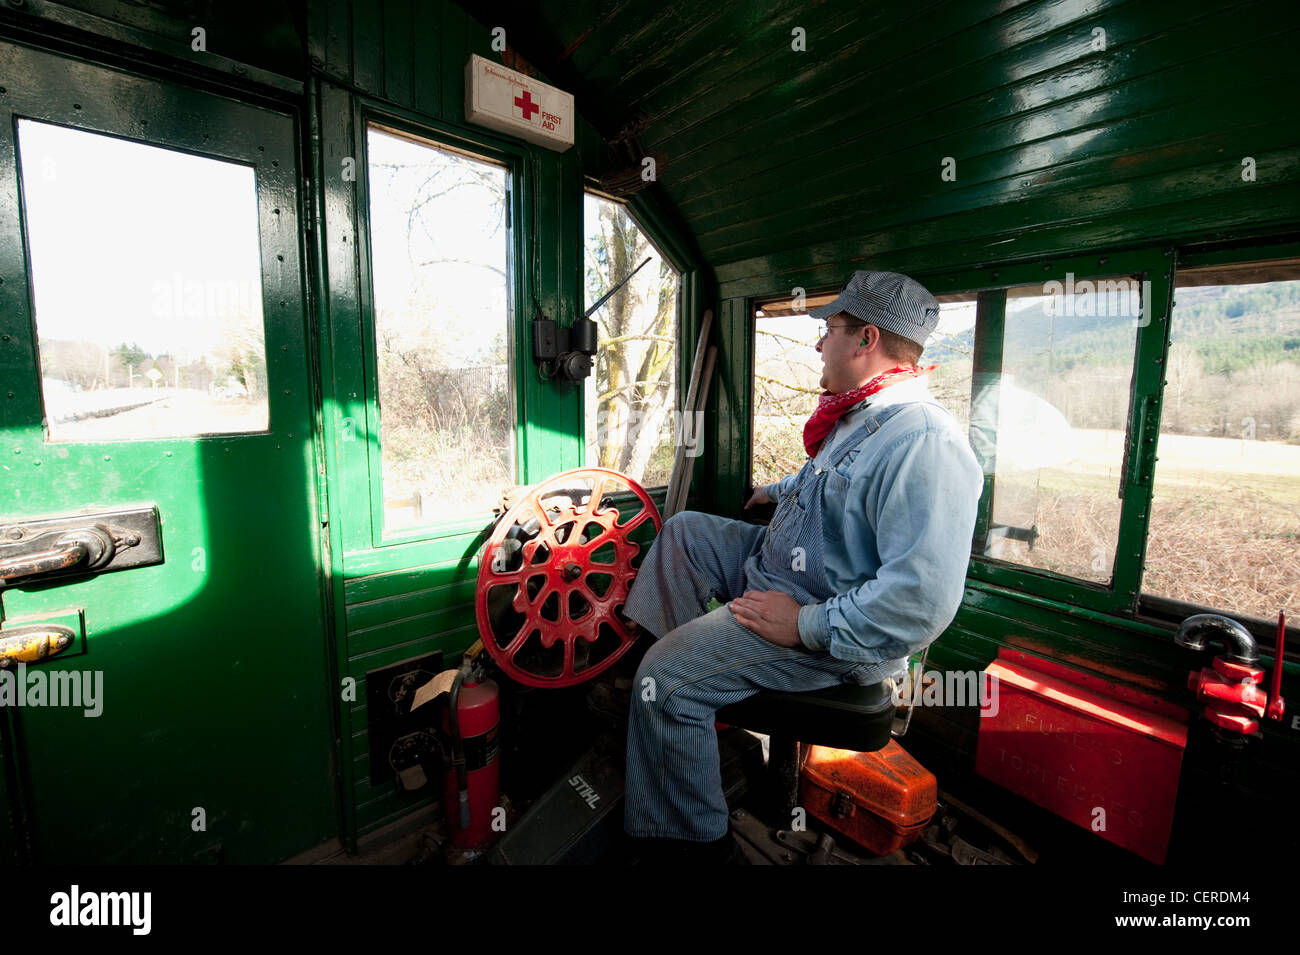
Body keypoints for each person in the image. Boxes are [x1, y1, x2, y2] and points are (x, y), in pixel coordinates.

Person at [620, 270, 984, 864]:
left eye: (829, 329)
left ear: (866, 338)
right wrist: (775, 490)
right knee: (685, 532)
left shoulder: (924, 442)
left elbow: (920, 600)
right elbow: (833, 485)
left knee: (661, 678)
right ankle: (693, 718)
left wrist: (805, 624)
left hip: (827, 631)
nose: (819, 343)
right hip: (781, 577)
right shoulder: (860, 418)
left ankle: (694, 844)